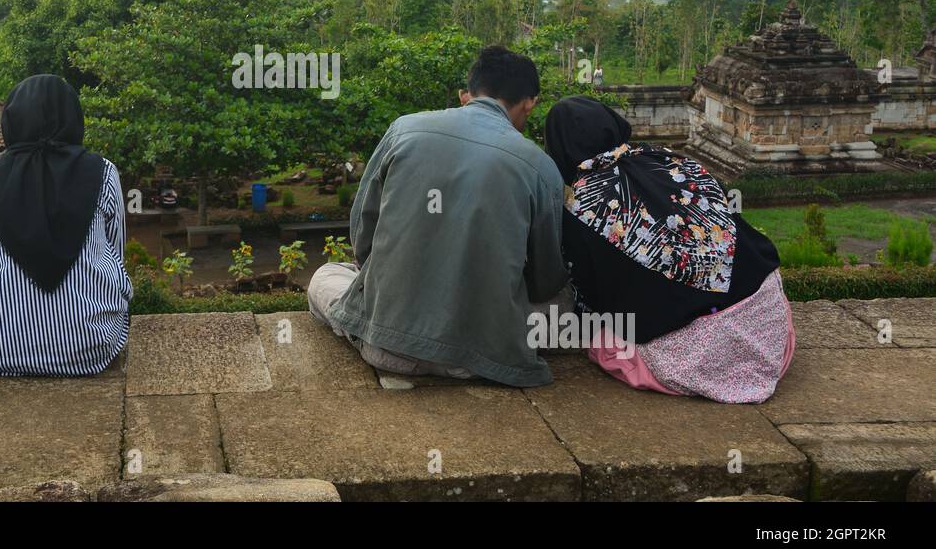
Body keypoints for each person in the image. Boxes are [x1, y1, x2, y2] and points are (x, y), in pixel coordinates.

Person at [308, 46, 569, 386]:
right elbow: (545, 280)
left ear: (468, 95)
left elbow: (362, 236)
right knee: (564, 300)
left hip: (388, 346)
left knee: (325, 275)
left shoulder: (404, 129)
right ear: (529, 102)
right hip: (483, 359)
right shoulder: (540, 166)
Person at [544, 95, 794, 403]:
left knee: (598, 335)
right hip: (765, 322)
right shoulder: (675, 162)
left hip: (697, 356)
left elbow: (591, 298)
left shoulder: (580, 208)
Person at [0, 74, 132, 376]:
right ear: (73, 117)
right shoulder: (103, 172)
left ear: (11, 120)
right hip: (89, 347)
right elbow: (116, 250)